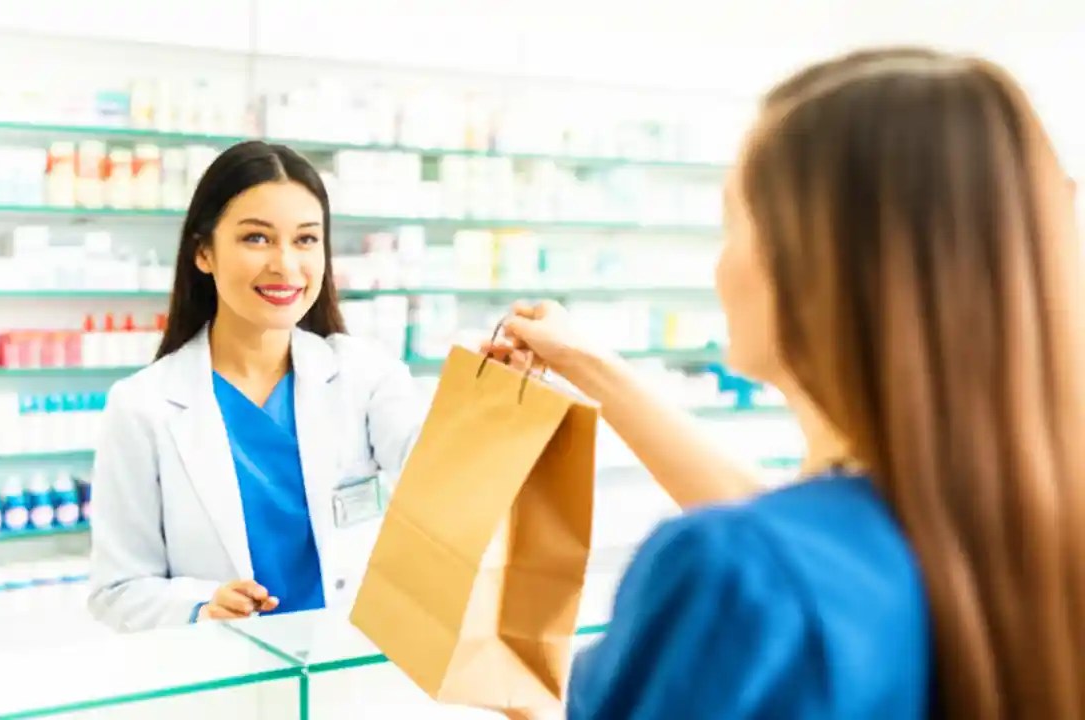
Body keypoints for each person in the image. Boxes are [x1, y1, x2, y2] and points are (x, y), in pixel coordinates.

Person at [488, 48, 1085, 719]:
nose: (719, 268)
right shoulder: (1023, 527)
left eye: (734, 223)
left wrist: (528, 703)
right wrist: (590, 367)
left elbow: (770, 565)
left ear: (817, 263)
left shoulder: (735, 574)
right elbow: (821, 546)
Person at [88, 141, 424, 631]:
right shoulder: (143, 405)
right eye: (257, 239)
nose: (286, 265)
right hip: (222, 682)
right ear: (203, 252)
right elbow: (117, 591)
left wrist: (500, 390)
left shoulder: (366, 376)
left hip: (347, 668)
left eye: (306, 240)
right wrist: (201, 606)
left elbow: (442, 479)